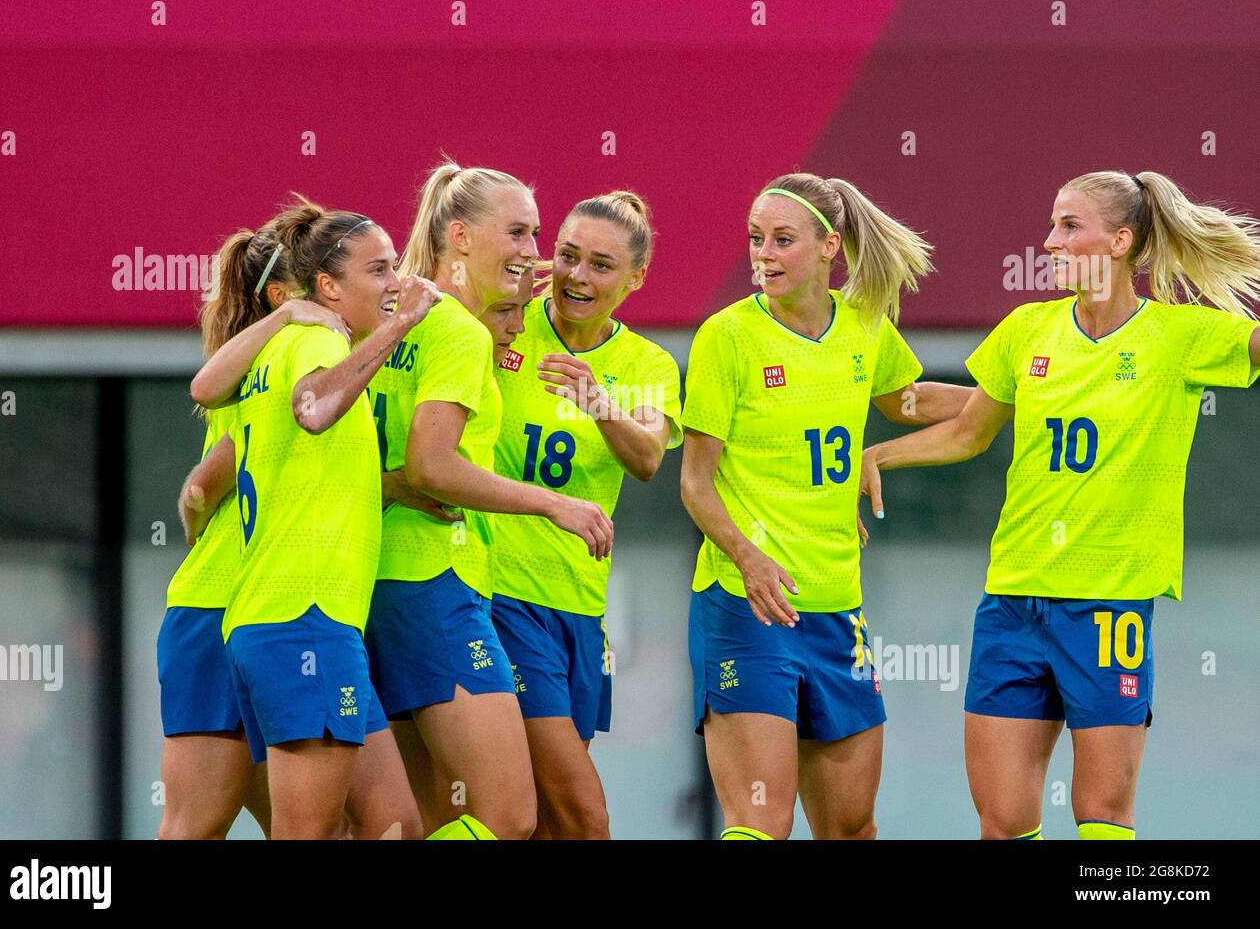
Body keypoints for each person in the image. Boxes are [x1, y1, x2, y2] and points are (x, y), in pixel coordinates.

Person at [859, 170, 1260, 840]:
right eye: (1052, 225)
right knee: (1004, 822)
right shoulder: (1028, 329)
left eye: (1069, 226)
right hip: (1013, 601)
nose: (1049, 241)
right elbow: (968, 429)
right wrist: (878, 455)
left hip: (1110, 605)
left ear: (1120, 241)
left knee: (1102, 819)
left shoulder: (1179, 336)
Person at [682, 173, 971, 839]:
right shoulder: (727, 337)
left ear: (828, 247)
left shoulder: (864, 326)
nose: (764, 255)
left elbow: (907, 402)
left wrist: (1023, 395)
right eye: (756, 239)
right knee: (760, 822)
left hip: (838, 608)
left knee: (849, 828)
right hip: (745, 605)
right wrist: (749, 559)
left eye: (783, 240)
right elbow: (695, 483)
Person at [364, 160, 614, 840]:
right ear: (461, 237)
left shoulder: (385, 315)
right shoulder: (456, 330)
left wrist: (387, 485)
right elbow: (433, 462)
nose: (533, 253)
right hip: (434, 583)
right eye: (517, 232)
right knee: (506, 817)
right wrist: (552, 504)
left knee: (432, 817)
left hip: (370, 584)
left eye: (535, 235)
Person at [191, 196, 439, 839]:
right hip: (302, 617)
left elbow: (206, 389)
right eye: (379, 271)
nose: (397, 283)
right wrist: (400, 326)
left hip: (303, 621)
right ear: (327, 285)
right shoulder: (315, 338)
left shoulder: (295, 337)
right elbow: (313, 409)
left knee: (394, 823)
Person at [489, 191, 682, 838]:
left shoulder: (646, 364)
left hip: (578, 610)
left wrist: (598, 401)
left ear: (635, 279)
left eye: (601, 265)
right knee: (583, 818)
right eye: (567, 256)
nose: (577, 276)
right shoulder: (505, 325)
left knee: (544, 820)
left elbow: (649, 457)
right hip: (500, 596)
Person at [159, 219, 347, 839]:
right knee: (197, 824)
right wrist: (198, 533)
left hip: (250, 609)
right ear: (285, 298)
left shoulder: (263, 364)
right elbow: (199, 490)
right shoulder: (286, 362)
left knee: (304, 824)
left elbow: (195, 494)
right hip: (225, 603)